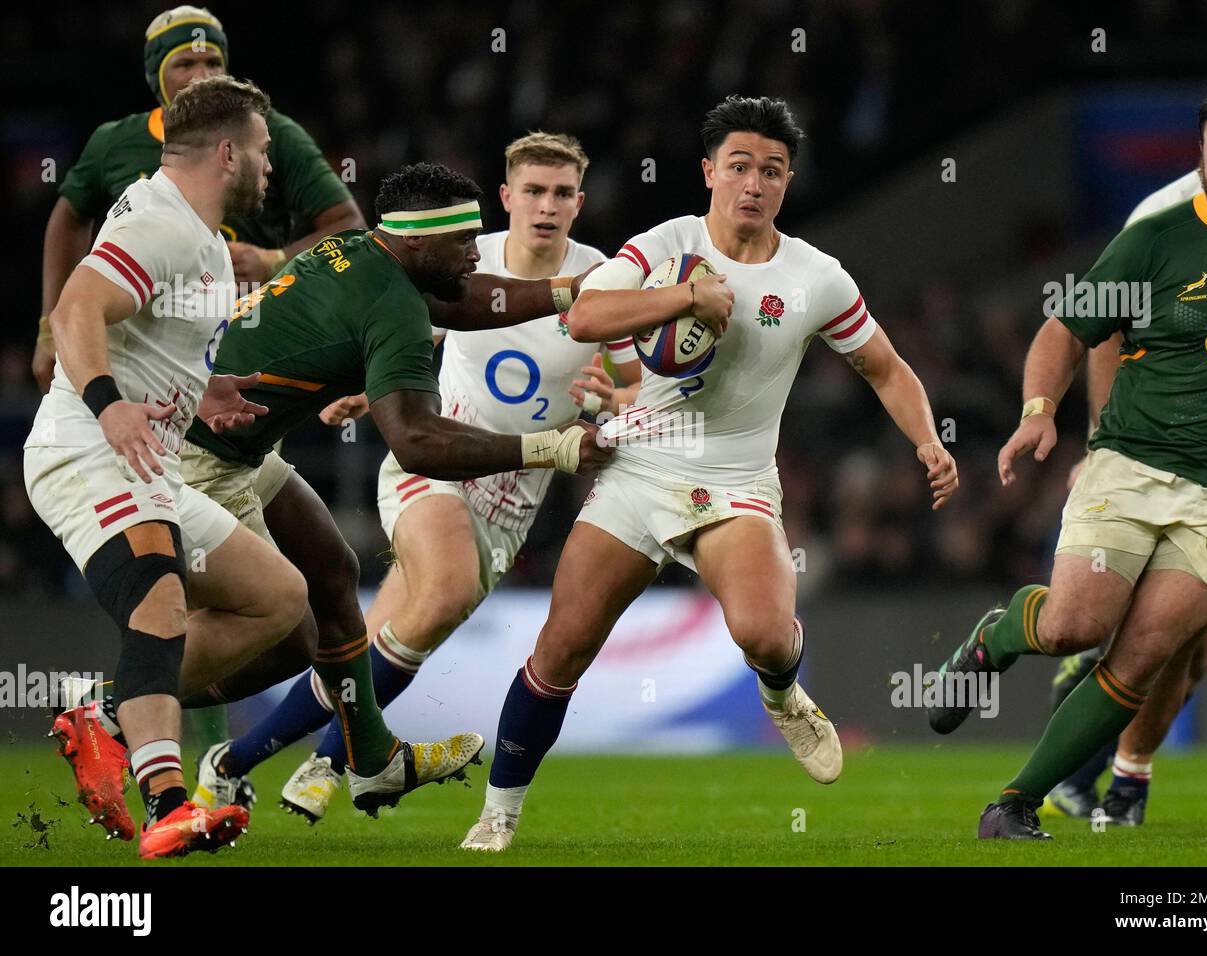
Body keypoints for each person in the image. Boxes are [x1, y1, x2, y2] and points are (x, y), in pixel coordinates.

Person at [459, 95, 958, 851]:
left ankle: (784, 693)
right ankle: (499, 811)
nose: (753, 184)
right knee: (560, 650)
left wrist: (927, 441)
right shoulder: (665, 244)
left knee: (762, 633)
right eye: (739, 167)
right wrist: (687, 294)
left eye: (772, 171)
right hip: (637, 470)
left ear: (787, 182)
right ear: (708, 172)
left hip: (736, 486)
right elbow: (585, 318)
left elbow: (884, 367)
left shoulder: (815, 276)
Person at [169, 161, 612, 817]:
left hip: (226, 444)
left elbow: (461, 301)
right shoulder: (394, 305)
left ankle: (369, 757)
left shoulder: (356, 251)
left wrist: (566, 291)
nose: (473, 253)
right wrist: (551, 446)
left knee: (332, 568)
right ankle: (113, 703)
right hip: (195, 464)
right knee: (289, 636)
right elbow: (419, 443)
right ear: (415, 245)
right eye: (462, 242)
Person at [928, 75, 1207, 840]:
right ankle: (996, 639)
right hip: (1131, 466)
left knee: (1149, 657)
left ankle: (1016, 804)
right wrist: (1041, 414)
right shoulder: (1160, 230)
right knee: (1072, 626)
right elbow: (1073, 330)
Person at [26, 76, 309, 859]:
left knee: (278, 599)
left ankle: (111, 712)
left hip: (147, 462)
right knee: (159, 590)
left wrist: (205, 389)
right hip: (89, 447)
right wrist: (112, 403)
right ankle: (167, 804)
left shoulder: (207, 241)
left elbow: (157, 333)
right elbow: (78, 307)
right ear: (226, 152)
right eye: (259, 151)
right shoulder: (160, 222)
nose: (267, 167)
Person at [1043, 61, 1207, 825]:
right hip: (1174, 460)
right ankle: (1122, 781)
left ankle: (1116, 769)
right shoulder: (1166, 214)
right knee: (1182, 641)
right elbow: (1101, 327)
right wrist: (1099, 441)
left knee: (1200, 647)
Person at [33, 4, 364, 392]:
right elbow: (69, 217)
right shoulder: (115, 144)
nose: (201, 76)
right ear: (156, 74)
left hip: (245, 335)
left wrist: (274, 260)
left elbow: (349, 224)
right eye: (185, 63)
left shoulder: (268, 133)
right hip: (143, 341)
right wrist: (49, 327)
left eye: (212, 62)